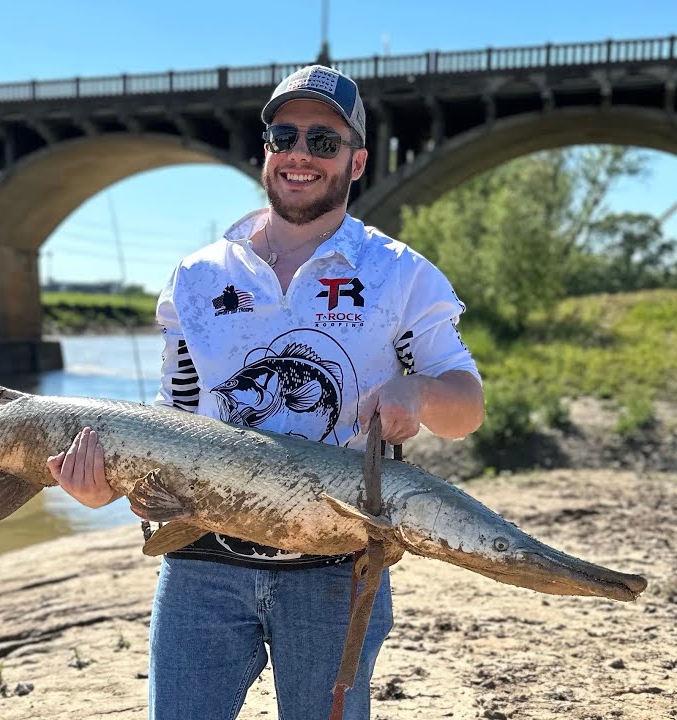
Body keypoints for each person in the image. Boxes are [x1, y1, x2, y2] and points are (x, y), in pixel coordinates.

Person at [47, 65, 485, 720]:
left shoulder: (399, 274)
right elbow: (176, 420)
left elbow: (466, 406)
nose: (300, 155)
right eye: (284, 137)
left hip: (336, 572)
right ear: (266, 152)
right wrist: (103, 485)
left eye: (323, 141)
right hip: (199, 564)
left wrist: (417, 393)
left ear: (357, 160)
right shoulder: (197, 277)